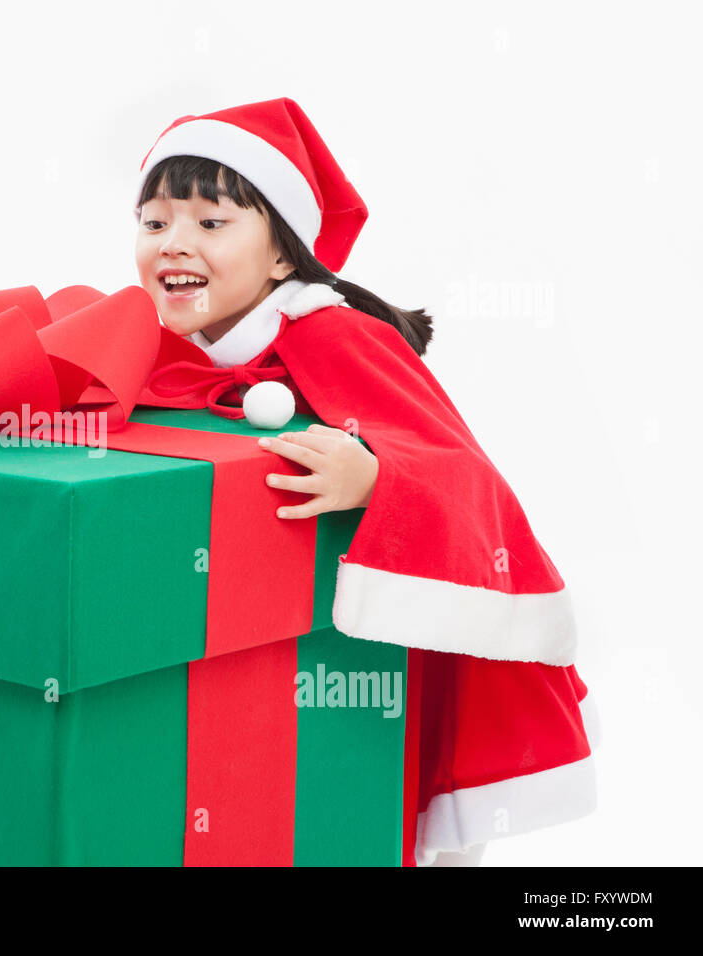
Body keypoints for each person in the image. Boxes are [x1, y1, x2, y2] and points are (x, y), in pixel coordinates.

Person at [133, 97, 599, 866]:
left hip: (378, 664)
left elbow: (463, 472)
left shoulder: (335, 336)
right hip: (249, 665)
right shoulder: (161, 345)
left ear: (283, 256)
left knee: (399, 819)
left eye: (211, 223)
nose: (173, 244)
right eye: (154, 224)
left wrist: (379, 476)